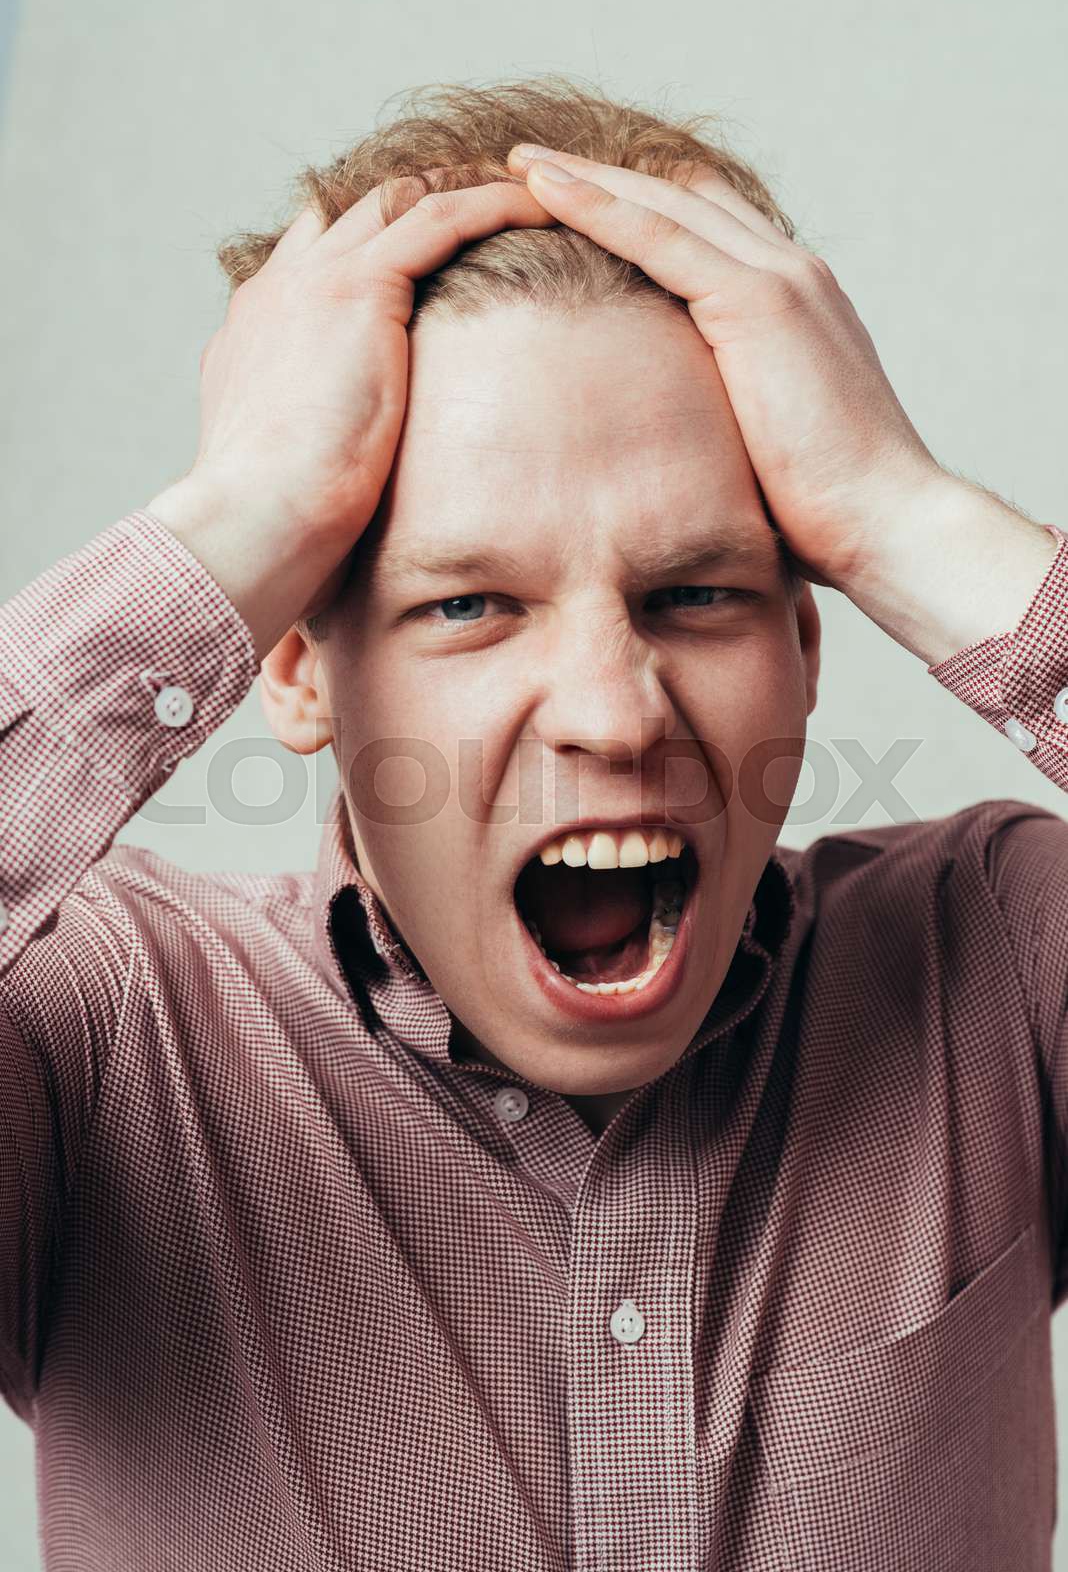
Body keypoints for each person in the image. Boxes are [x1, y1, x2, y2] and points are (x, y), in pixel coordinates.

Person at [1, 77, 1065, 1570]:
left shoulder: (999, 966)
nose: (616, 714)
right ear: (294, 664)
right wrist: (236, 521)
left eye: (698, 592)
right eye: (470, 604)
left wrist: (908, 515)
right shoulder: (93, 1039)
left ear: (809, 648)